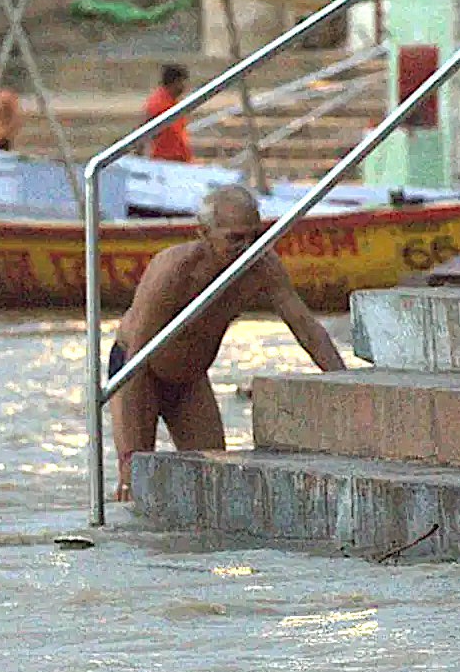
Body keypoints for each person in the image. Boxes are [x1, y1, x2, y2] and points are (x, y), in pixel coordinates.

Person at [109, 186, 347, 502]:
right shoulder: (174, 269)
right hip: (139, 372)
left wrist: (344, 381)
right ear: (204, 234)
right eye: (235, 239)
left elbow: (306, 328)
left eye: (255, 236)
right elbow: (135, 358)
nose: (247, 248)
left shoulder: (263, 266)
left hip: (190, 378)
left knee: (214, 483)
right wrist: (128, 458)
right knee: (135, 480)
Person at [142, 64, 194, 163]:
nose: (184, 87)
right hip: (165, 162)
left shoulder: (172, 102)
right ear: (174, 82)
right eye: (182, 82)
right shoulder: (159, 104)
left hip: (176, 161)